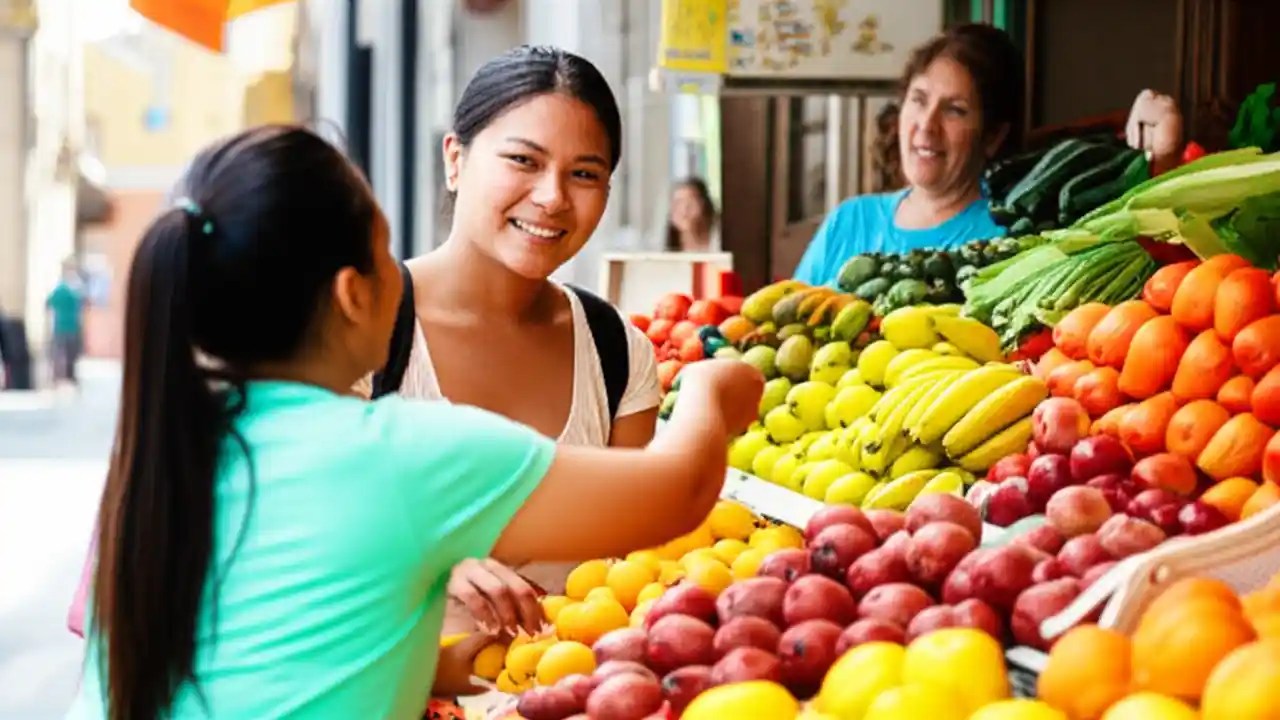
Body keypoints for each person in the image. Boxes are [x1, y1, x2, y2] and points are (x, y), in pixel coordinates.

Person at [67, 124, 763, 720]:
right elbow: (678, 489)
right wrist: (708, 387)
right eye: (384, 252)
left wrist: (505, 666)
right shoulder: (397, 454)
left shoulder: (177, 442)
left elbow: (297, 655)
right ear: (350, 295)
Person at [354, 46, 663, 646]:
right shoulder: (360, 332)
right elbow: (293, 526)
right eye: (523, 160)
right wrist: (422, 563)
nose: (552, 197)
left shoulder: (618, 355)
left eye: (584, 173)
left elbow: (632, 571)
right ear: (455, 159)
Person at [794, 23, 1185, 286]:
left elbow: (1143, 261)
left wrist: (1161, 159)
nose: (926, 126)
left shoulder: (1018, 233)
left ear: (993, 136)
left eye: (954, 110)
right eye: (919, 100)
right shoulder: (848, 221)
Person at [46, 259, 86, 387]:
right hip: (66, 326)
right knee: (64, 352)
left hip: (67, 326)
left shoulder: (66, 288)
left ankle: (63, 377)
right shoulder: (72, 289)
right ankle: (63, 377)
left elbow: (48, 305)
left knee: (66, 353)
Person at [665, 177, 718, 252]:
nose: (684, 211)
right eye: (678, 203)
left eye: (690, 203)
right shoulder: (666, 243)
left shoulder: (718, 239)